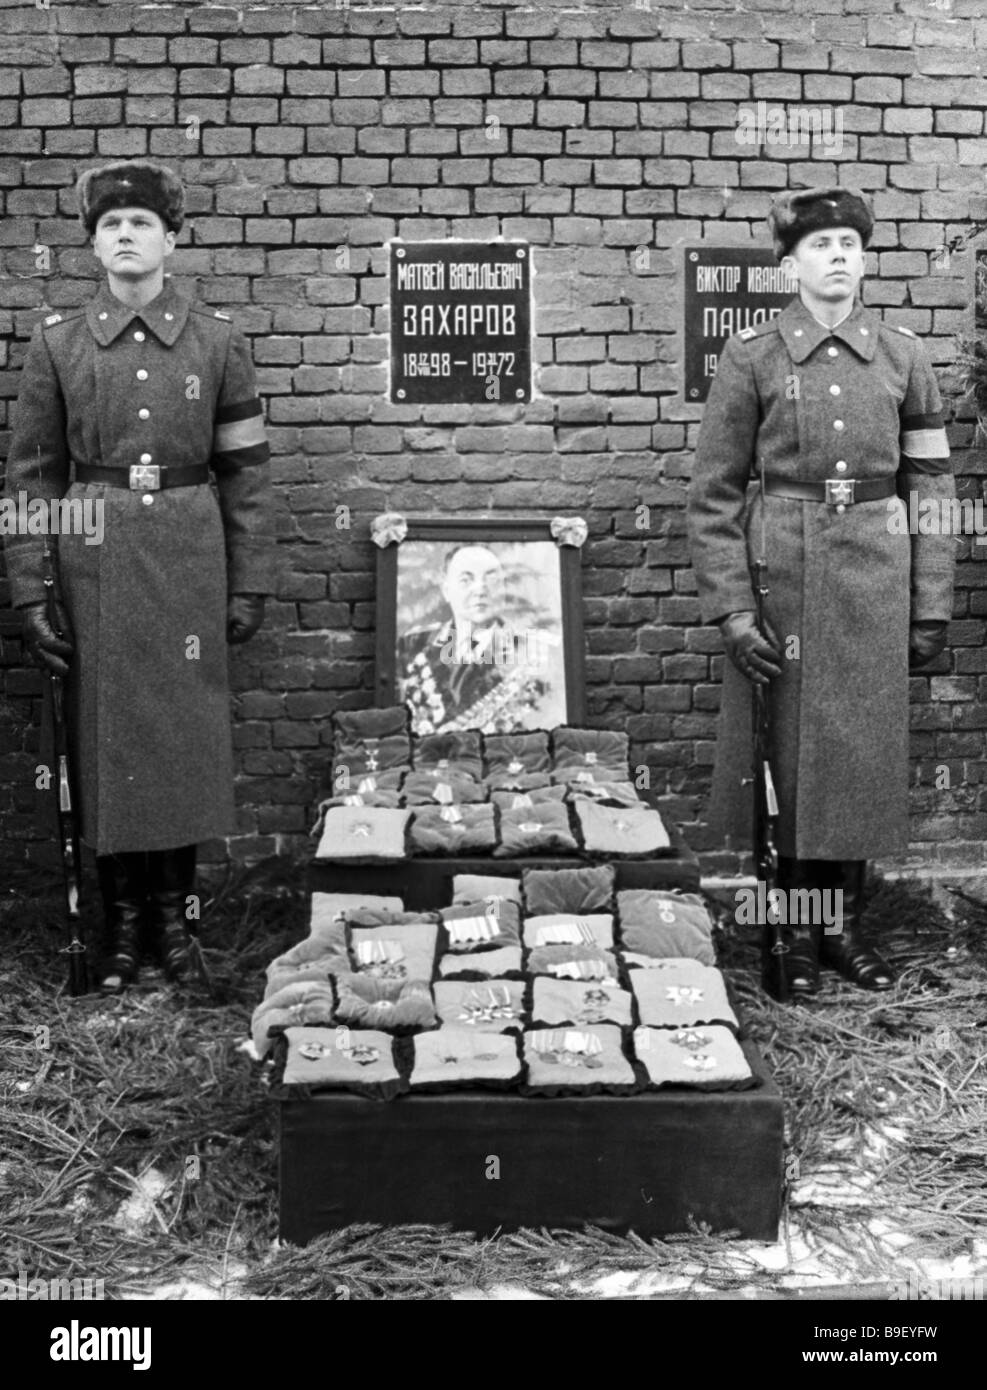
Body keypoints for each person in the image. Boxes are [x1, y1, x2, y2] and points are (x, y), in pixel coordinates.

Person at [3, 160, 275, 992]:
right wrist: (34, 587)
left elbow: (247, 473)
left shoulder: (218, 341)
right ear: (92, 246)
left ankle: (176, 921)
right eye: (110, 225)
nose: (126, 236)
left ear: (169, 240)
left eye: (142, 224)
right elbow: (33, 477)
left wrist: (247, 580)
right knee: (106, 740)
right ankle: (121, 925)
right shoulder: (57, 344)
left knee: (183, 743)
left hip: (191, 555)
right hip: (97, 560)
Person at [687, 187, 955, 1001]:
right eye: (819, 245)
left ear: (863, 258)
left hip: (877, 572)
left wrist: (930, 602)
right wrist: (734, 607)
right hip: (785, 577)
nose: (837, 256)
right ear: (789, 265)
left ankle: (841, 928)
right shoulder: (753, 357)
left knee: (861, 758)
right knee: (790, 759)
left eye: (848, 243)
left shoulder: (904, 357)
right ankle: (793, 931)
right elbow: (715, 495)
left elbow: (932, 482)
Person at [397, 543, 549, 735]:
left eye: (492, 580)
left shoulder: (532, 649)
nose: (480, 590)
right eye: (465, 580)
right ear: (446, 590)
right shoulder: (414, 645)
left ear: (503, 588)